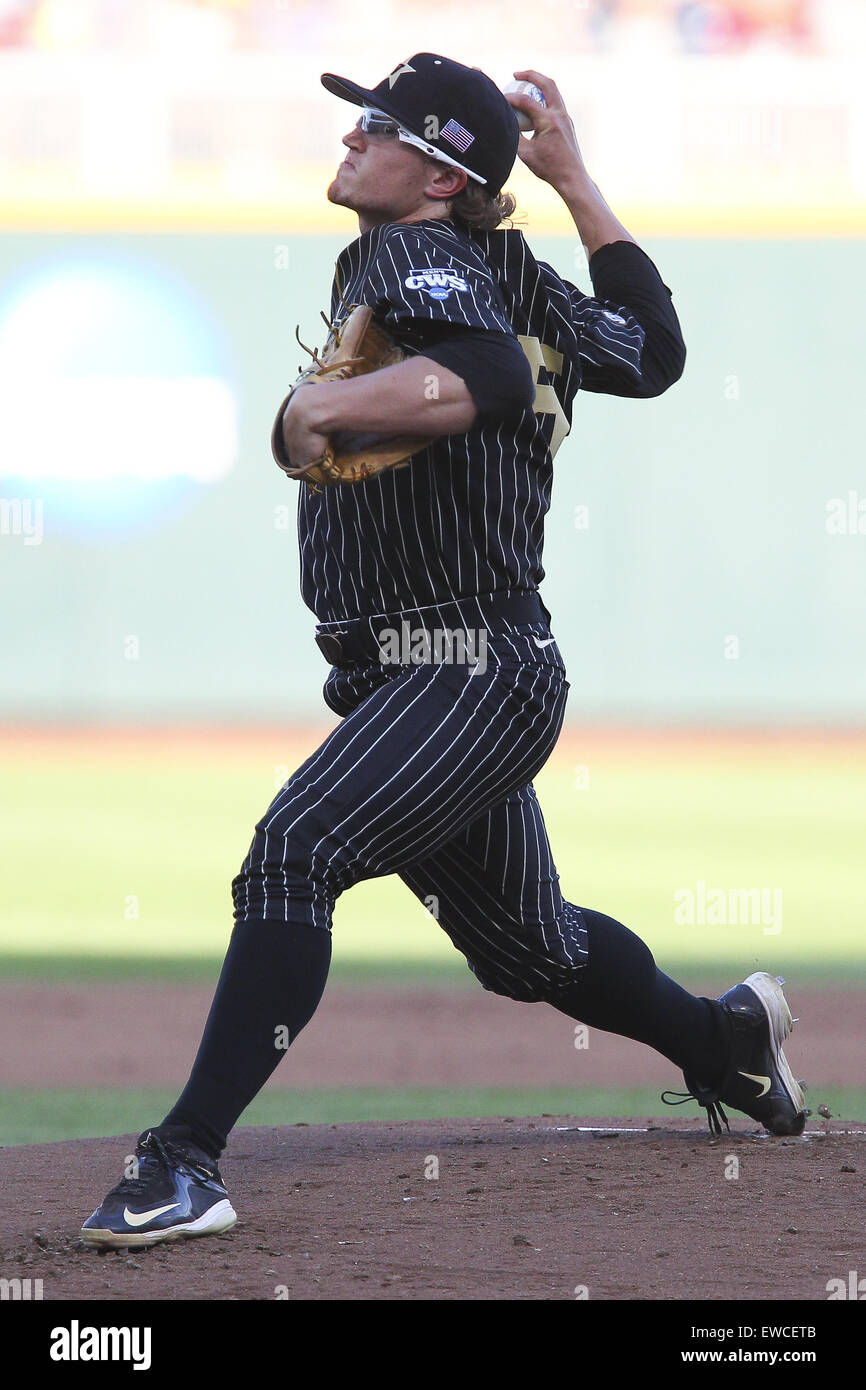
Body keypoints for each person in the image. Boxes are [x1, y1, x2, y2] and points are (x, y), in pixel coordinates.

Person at [80, 54, 806, 1249]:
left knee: (293, 851)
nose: (354, 135)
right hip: (453, 671)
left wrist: (316, 410)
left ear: (434, 172)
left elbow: (475, 375)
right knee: (534, 949)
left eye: (376, 124)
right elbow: (654, 350)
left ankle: (183, 1163)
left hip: (460, 665)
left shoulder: (401, 254)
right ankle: (724, 1040)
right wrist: (576, 185)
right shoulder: (518, 279)